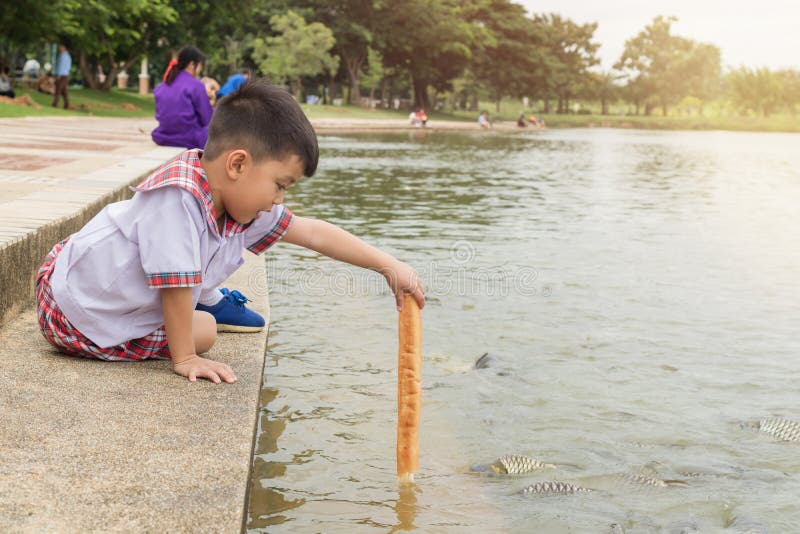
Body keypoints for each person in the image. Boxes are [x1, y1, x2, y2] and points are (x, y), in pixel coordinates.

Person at [35, 79, 425, 384]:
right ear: (238, 164)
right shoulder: (177, 199)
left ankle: (207, 295)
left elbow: (312, 234)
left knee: (196, 316)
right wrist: (185, 358)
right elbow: (174, 288)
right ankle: (206, 300)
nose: (278, 199)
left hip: (89, 272)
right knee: (202, 331)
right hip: (74, 313)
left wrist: (388, 265)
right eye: (281, 184)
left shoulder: (241, 202)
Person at [151, 46, 213, 149]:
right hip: (189, 138)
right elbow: (207, 119)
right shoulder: (196, 85)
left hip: (164, 136)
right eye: (200, 65)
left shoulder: (162, 86)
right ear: (192, 64)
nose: (200, 69)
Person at [52, 42, 71, 109]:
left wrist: (58, 75)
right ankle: (67, 104)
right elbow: (68, 67)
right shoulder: (68, 56)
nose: (59, 48)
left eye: (60, 47)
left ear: (63, 47)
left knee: (58, 90)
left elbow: (61, 66)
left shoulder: (62, 56)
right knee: (64, 91)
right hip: (66, 75)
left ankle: (55, 104)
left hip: (62, 75)